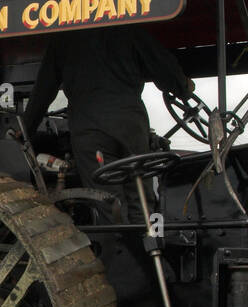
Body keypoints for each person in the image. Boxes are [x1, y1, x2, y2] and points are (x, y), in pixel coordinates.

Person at [21, 26, 193, 222]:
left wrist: (24, 131)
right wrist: (184, 87)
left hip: (89, 129)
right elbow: (164, 67)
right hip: (130, 125)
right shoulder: (129, 29)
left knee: (107, 201)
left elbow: (43, 91)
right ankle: (148, 245)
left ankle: (121, 244)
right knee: (141, 197)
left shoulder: (64, 37)